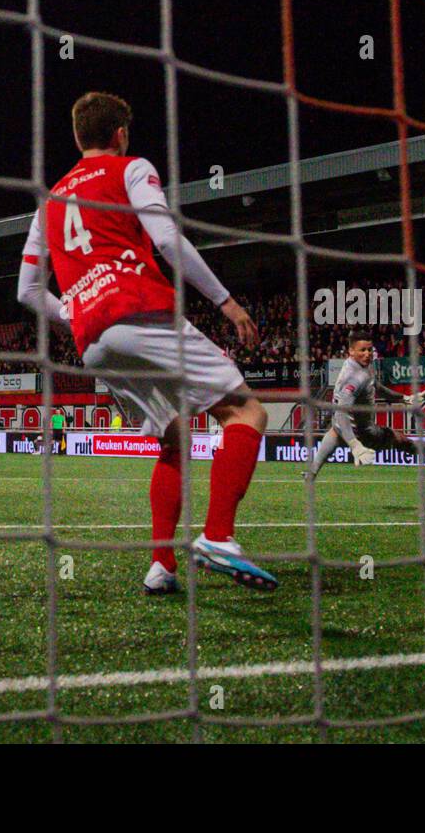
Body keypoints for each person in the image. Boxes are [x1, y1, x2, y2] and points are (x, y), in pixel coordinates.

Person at [17, 91, 273, 595]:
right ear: (120, 134)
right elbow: (167, 238)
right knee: (247, 412)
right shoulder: (131, 168)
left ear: (76, 137)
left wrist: (79, 312)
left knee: (175, 440)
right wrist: (226, 302)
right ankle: (218, 536)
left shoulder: (49, 201)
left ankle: (161, 566)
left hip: (93, 340)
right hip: (140, 310)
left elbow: (25, 292)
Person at [305, 330, 425, 481]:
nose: (367, 354)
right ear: (351, 351)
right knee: (401, 440)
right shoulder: (353, 378)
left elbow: (375, 387)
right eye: (362, 350)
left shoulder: (362, 366)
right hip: (362, 432)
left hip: (344, 428)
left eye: (369, 349)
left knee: (334, 431)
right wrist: (355, 445)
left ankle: (311, 472)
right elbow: (341, 414)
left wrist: (405, 398)